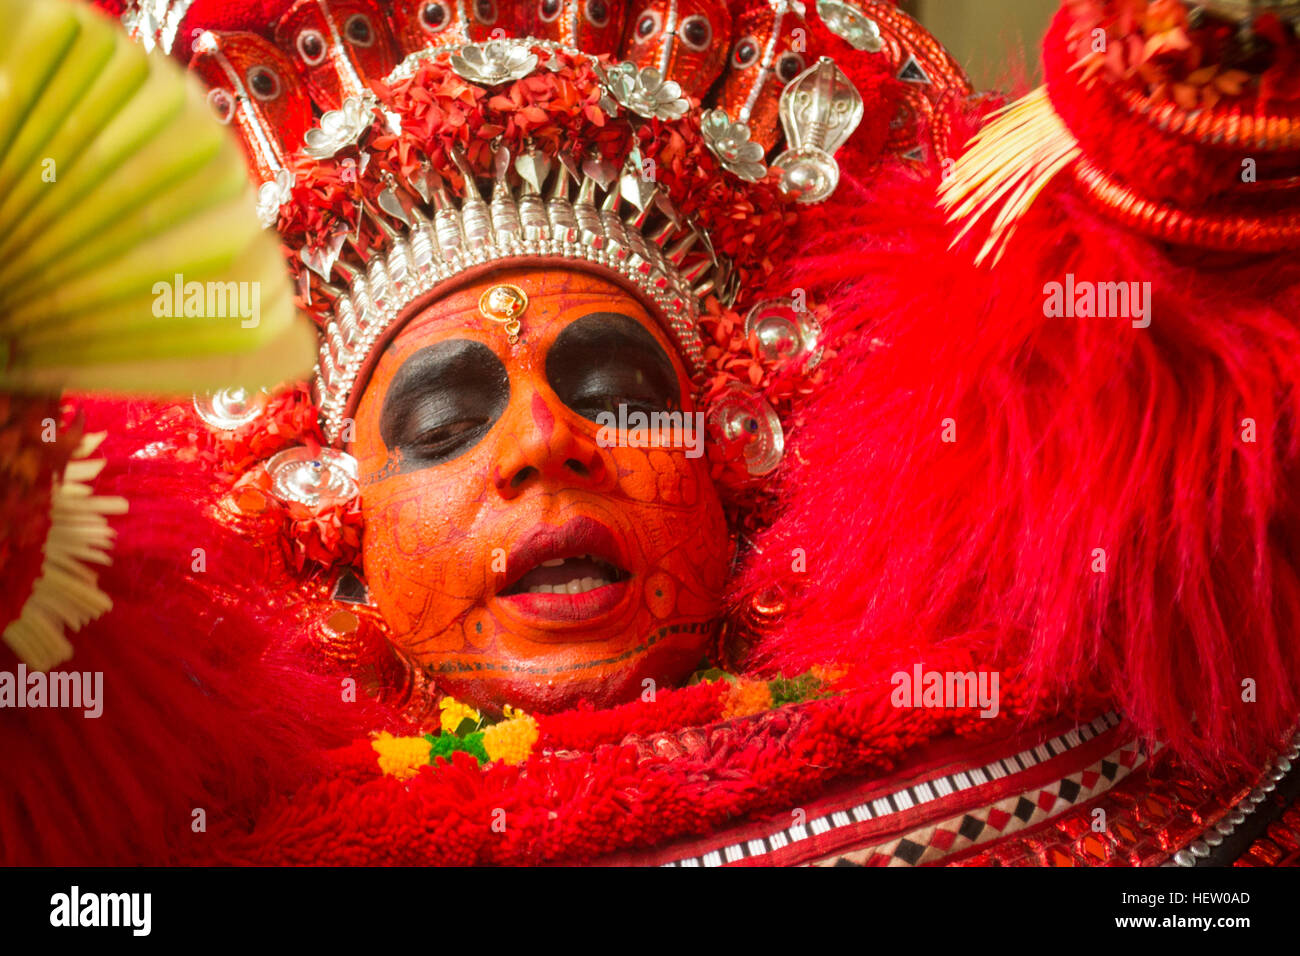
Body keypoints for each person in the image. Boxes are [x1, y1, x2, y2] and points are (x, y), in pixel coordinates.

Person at [2, 0, 1296, 866]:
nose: (545, 443)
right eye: (444, 421)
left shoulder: (1053, 755)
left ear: (736, 460)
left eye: (619, 391)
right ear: (340, 542)